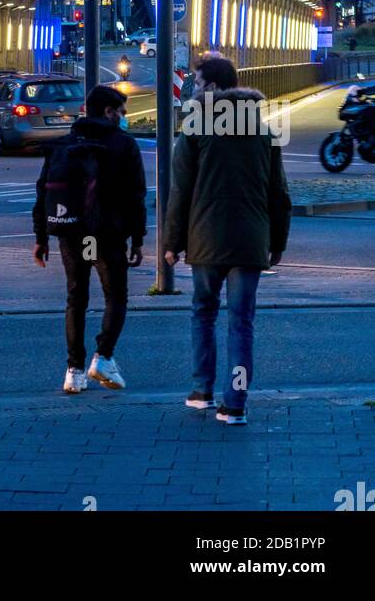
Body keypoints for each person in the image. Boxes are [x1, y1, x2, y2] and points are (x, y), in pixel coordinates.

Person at [164, 52, 291, 426]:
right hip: (251, 243)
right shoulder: (264, 131)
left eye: (198, 83)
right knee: (242, 321)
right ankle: (235, 403)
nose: (194, 89)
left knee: (203, 313)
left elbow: (180, 191)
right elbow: (278, 195)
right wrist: (277, 242)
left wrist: (172, 242)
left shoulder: (196, 129)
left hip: (205, 241)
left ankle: (202, 390)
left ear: (214, 88)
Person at [33, 84, 147, 394]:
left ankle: (74, 371)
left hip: (71, 233)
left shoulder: (67, 143)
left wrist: (41, 236)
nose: (124, 118)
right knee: (115, 297)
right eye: (121, 112)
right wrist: (138, 237)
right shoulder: (124, 145)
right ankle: (104, 357)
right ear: (109, 112)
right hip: (106, 234)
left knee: (76, 299)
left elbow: (44, 190)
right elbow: (136, 195)